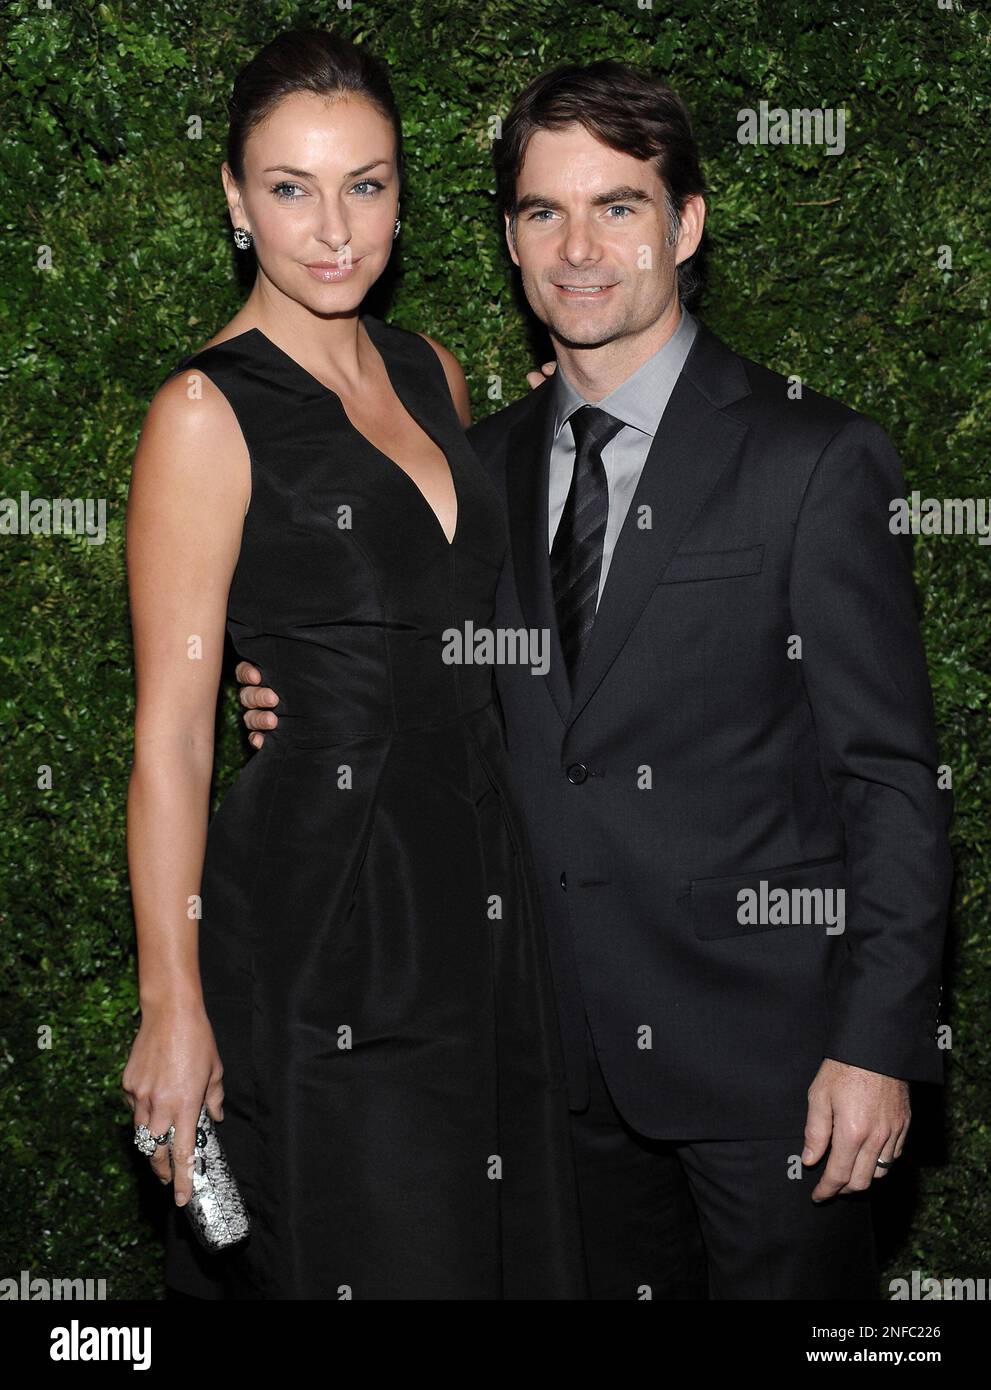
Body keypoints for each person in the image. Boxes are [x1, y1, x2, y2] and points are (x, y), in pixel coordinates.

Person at [237, 60, 954, 1299]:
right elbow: (427, 674)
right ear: (509, 239)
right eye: (540, 212)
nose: (578, 248)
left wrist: (876, 1045)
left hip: (775, 1075)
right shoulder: (473, 470)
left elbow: (891, 778)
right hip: (542, 1065)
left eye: (618, 207)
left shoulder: (813, 454)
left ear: (685, 223)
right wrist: (299, 696)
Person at [121, 28, 591, 1300]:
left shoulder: (427, 368)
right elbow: (173, 731)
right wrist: (173, 1002)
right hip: (327, 903)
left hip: (479, 883)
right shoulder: (205, 414)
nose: (334, 230)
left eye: (366, 185)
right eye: (290, 188)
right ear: (233, 198)